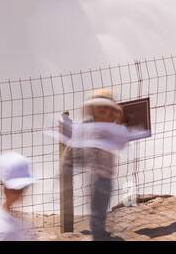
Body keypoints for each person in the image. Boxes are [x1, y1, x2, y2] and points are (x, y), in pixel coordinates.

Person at [56, 89, 146, 240]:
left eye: (107, 107)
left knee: (101, 209)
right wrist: (67, 163)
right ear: (92, 110)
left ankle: (100, 232)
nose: (103, 110)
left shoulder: (111, 129)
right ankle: (98, 235)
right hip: (96, 177)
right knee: (97, 210)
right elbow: (74, 144)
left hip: (107, 177)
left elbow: (122, 140)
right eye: (100, 107)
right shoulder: (88, 127)